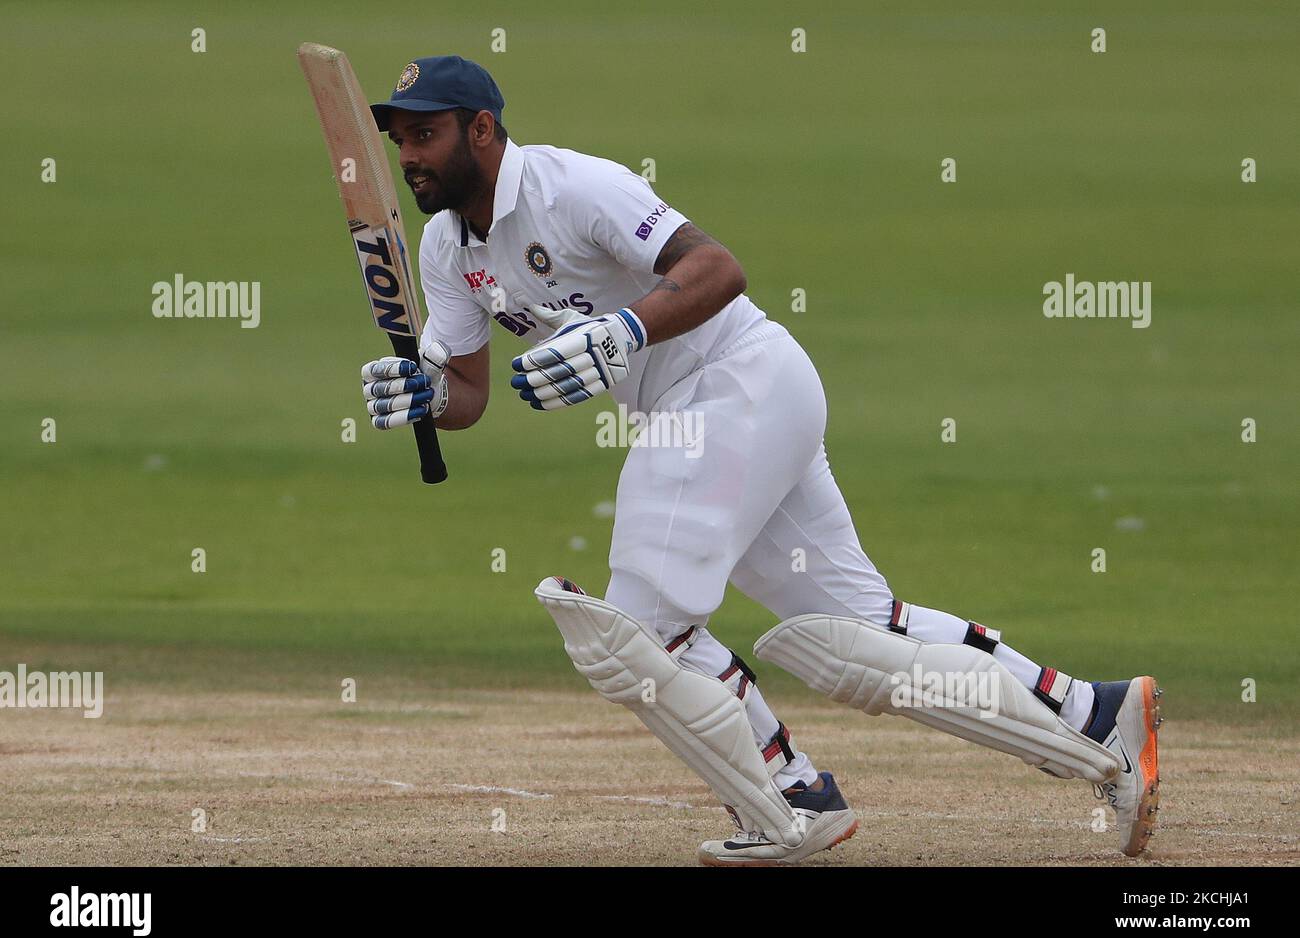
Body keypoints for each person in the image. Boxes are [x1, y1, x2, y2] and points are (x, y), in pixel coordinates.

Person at [359, 54, 1162, 865]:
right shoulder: (443, 249)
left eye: (426, 134)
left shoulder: (574, 189)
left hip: (736, 381)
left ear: (484, 129)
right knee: (862, 636)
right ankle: (1094, 714)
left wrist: (623, 331)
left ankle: (789, 796)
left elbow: (717, 268)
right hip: (712, 413)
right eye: (400, 140)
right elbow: (466, 390)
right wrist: (423, 395)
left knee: (638, 631)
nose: (410, 157)